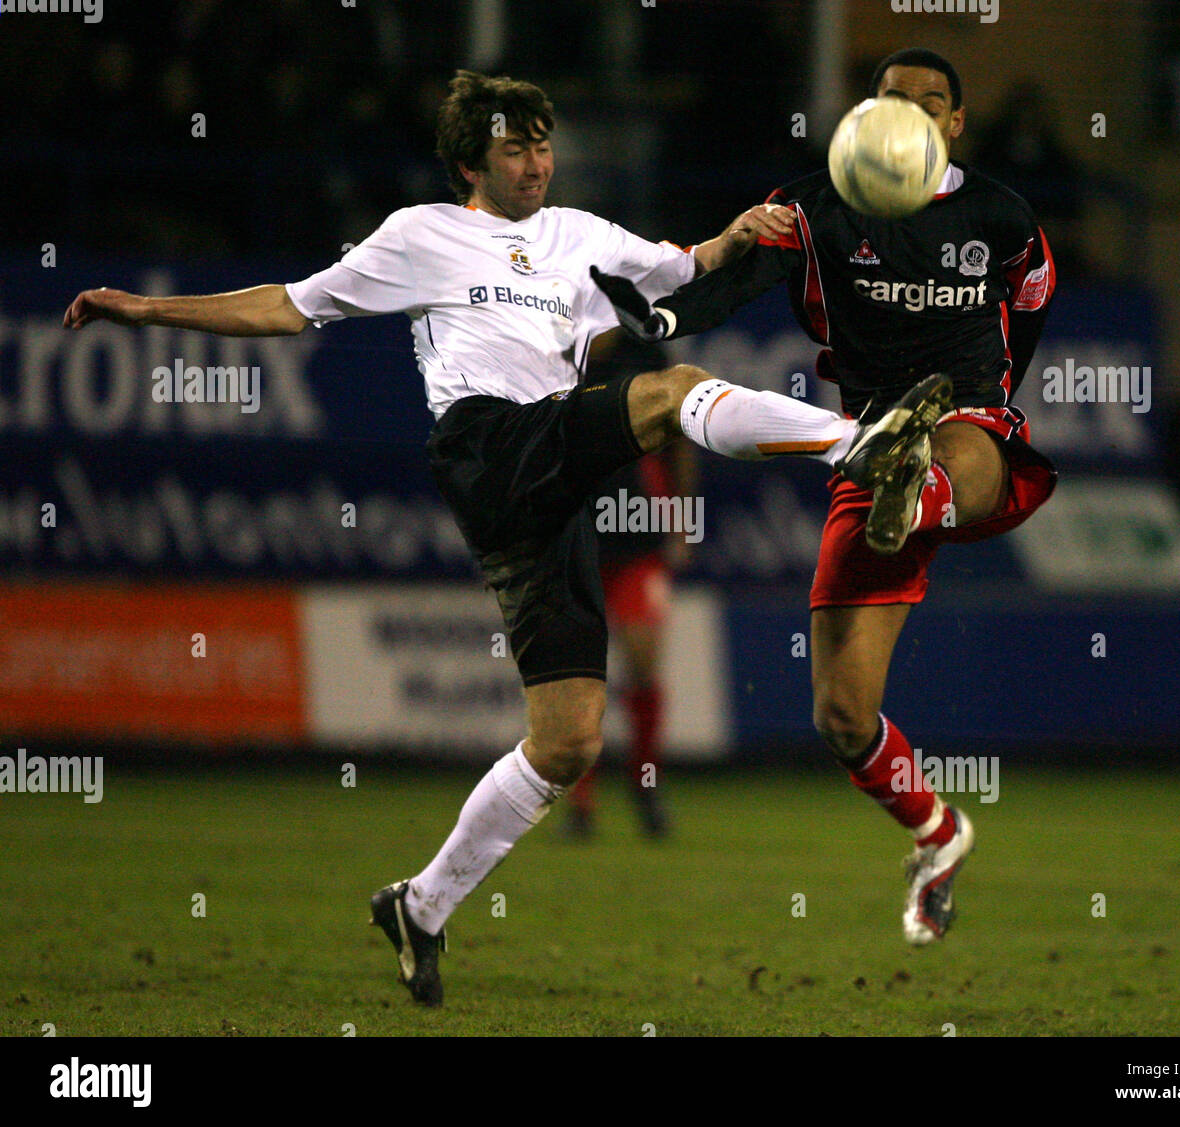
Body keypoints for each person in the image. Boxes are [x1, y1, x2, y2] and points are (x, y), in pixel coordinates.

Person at [62, 70, 904, 1006]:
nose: (537, 162)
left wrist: (736, 235)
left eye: (544, 144)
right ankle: (860, 443)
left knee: (570, 738)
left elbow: (683, 270)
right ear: (471, 162)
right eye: (515, 148)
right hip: (485, 446)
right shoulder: (420, 234)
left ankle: (419, 904)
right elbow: (289, 306)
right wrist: (143, 312)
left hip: (544, 481)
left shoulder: (581, 236)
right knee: (669, 393)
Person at [598, 48, 1058, 948]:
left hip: (966, 430)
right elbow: (730, 283)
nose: (912, 112)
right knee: (842, 714)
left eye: (933, 102)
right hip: (868, 442)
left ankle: (918, 479)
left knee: (957, 440)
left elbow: (1032, 301)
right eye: (893, 98)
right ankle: (936, 833)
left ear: (956, 124)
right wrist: (659, 317)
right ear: (864, 114)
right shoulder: (812, 208)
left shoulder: (1000, 217)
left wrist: (1000, 398)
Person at [565, 332, 694, 841]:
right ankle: (581, 804)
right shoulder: (552, 348)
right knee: (581, 673)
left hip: (640, 532)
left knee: (642, 661)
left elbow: (680, 437)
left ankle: (645, 785)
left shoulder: (647, 356)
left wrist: (682, 519)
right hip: (575, 534)